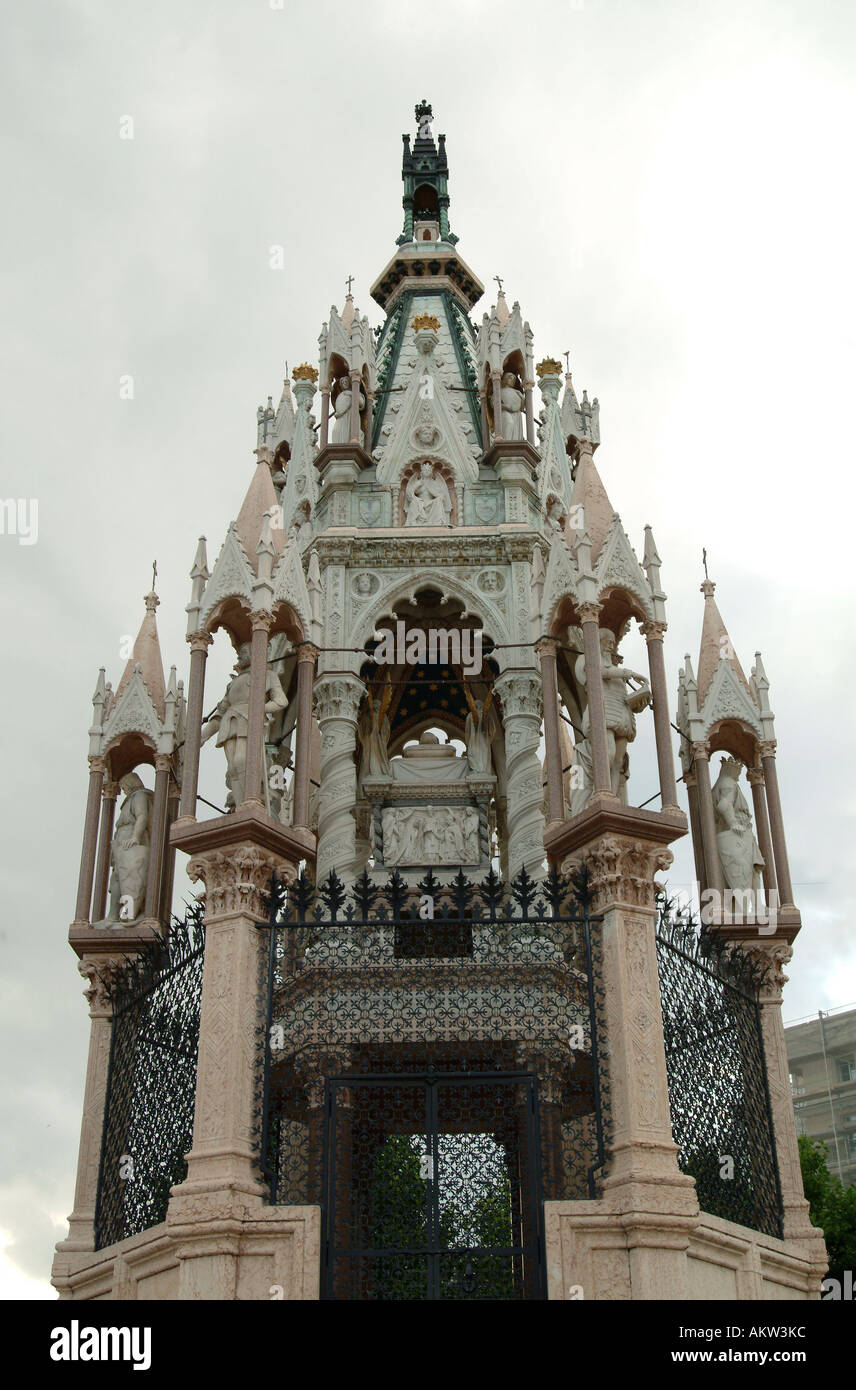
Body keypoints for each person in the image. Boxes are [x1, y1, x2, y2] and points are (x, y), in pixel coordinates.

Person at [404, 462, 452, 526]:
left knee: (438, 501)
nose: (427, 471)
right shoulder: (418, 483)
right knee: (414, 502)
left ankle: (438, 521)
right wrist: (417, 486)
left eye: (428, 470)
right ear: (422, 472)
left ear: (431, 472)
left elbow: (442, 496)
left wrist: (432, 490)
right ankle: (413, 521)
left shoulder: (434, 483)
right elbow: (409, 494)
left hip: (431, 503)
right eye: (425, 470)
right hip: (420, 502)